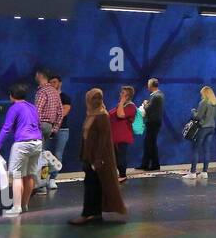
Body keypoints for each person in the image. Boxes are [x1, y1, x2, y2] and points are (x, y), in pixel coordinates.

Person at [70, 88, 126, 225]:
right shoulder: (91, 114)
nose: (95, 102)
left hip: (98, 159)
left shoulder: (101, 115)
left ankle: (88, 214)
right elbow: (87, 137)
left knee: (92, 185)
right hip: (90, 158)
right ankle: (94, 213)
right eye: (92, 98)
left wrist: (98, 159)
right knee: (93, 185)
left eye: (97, 98)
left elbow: (104, 140)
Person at [0, 82, 44, 217]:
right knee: (30, 175)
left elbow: (6, 128)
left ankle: (16, 207)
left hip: (22, 144)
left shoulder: (14, 108)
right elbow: (38, 124)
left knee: (17, 175)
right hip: (37, 142)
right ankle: (24, 205)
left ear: (12, 96)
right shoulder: (32, 107)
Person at [184, 85, 216, 181]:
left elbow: (198, 117)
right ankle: (204, 172)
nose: (201, 95)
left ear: (204, 93)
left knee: (196, 149)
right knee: (206, 150)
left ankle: (192, 172)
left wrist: (193, 111)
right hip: (212, 128)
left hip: (203, 128)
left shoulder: (203, 102)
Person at [109, 86, 136, 181]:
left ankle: (123, 175)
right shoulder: (120, 105)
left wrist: (122, 101)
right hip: (115, 136)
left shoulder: (131, 106)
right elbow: (110, 114)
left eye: (123, 93)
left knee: (121, 156)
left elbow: (120, 115)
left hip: (122, 136)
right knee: (116, 156)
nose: (120, 94)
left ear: (127, 96)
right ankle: (119, 174)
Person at [138, 78, 164, 171]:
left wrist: (145, 103)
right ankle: (146, 164)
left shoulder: (156, 96)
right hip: (152, 122)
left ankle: (154, 165)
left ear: (152, 86)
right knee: (149, 143)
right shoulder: (155, 95)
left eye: (148, 85)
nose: (147, 86)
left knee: (150, 144)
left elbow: (148, 109)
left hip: (154, 122)